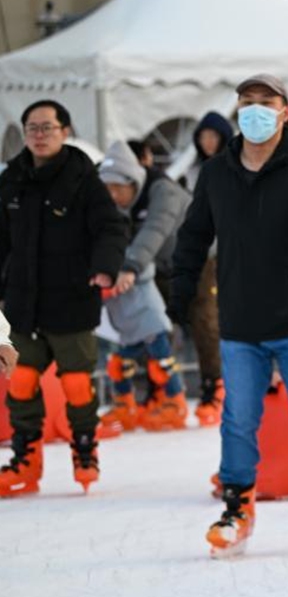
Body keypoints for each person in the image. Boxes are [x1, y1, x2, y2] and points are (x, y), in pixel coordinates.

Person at [171, 74, 288, 555]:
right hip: (239, 318)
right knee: (238, 418)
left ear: (284, 113)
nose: (255, 110)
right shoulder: (217, 173)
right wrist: (181, 288)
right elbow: (194, 235)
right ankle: (238, 505)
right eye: (247, 102)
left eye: (266, 102)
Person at [0, 99, 128, 497]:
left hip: (71, 299)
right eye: (32, 128)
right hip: (22, 303)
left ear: (65, 131)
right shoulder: (11, 180)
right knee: (19, 379)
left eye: (47, 127)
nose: (39, 135)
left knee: (75, 383)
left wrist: (105, 266)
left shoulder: (83, 179)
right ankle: (25, 460)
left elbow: (110, 227)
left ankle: (85, 449)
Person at [97, 140, 192, 432]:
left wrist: (128, 269)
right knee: (119, 363)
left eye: (118, 188)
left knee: (161, 358)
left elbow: (152, 235)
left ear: (133, 182)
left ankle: (174, 401)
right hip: (122, 314)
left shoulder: (161, 191)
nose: (113, 195)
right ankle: (126, 405)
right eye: (107, 188)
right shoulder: (108, 213)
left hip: (152, 296)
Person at [182, 111, 234, 425]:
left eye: (214, 136)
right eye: (203, 137)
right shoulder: (192, 172)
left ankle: (226, 384)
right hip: (206, 254)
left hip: (236, 253)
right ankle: (213, 382)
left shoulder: (236, 167)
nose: (208, 142)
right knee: (206, 316)